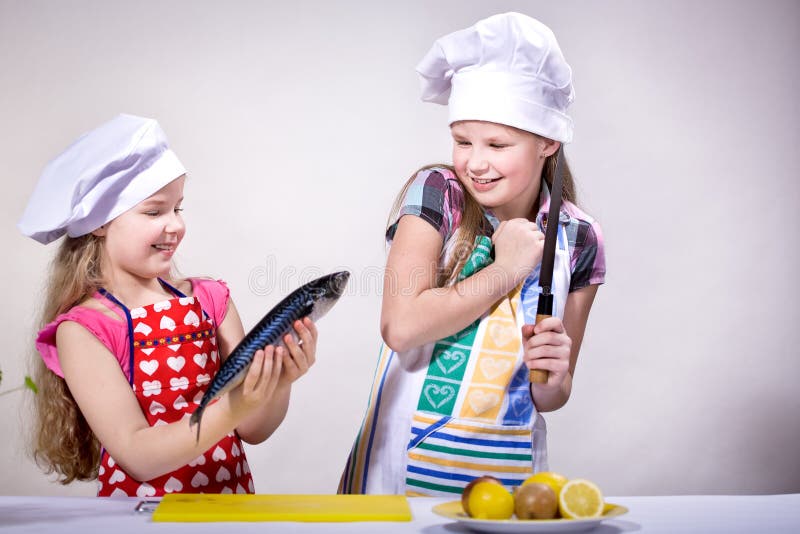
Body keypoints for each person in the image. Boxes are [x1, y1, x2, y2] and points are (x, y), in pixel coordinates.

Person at [339, 12, 605, 497]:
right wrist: (506, 269)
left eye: (497, 144)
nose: (475, 162)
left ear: (548, 141)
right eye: (462, 140)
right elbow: (401, 327)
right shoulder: (439, 194)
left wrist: (555, 372)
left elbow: (550, 395)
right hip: (397, 481)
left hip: (507, 481)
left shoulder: (579, 237)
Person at [18, 114, 318, 497]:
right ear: (99, 223)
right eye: (154, 211)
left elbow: (254, 429)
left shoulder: (210, 299)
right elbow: (138, 455)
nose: (175, 225)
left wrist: (279, 381)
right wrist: (234, 407)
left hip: (228, 511)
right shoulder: (85, 329)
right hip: (140, 519)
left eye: (178, 208)